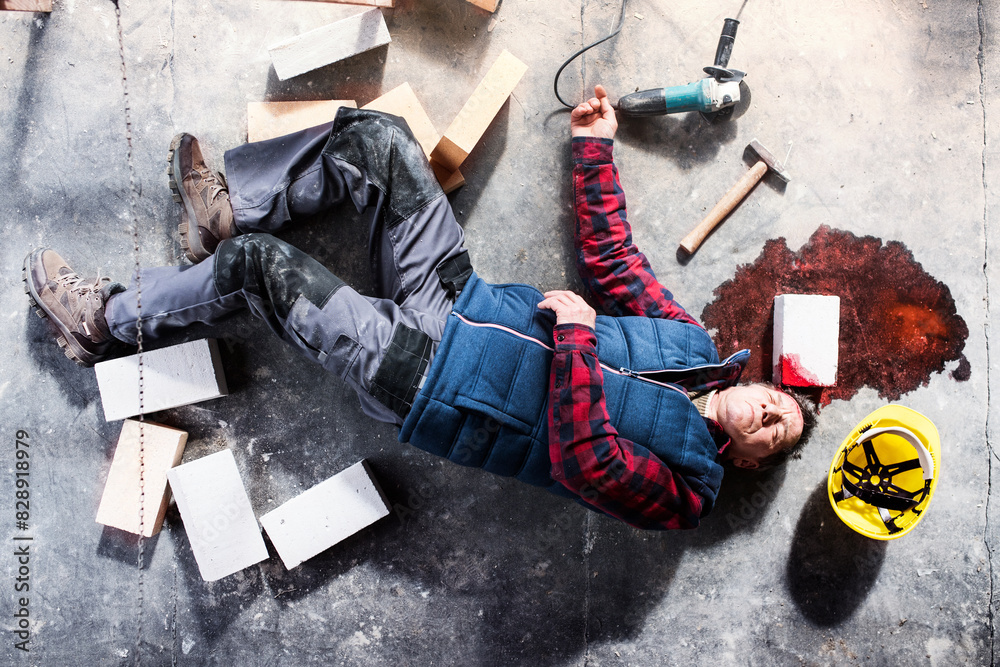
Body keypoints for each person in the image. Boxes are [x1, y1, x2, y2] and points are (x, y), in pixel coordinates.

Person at [24, 85, 814, 531]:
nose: (769, 413)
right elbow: (615, 259)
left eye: (774, 433)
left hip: (427, 380)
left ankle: (104, 323)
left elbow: (589, 462)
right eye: (780, 401)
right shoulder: (688, 341)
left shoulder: (689, 490)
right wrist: (594, 146)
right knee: (380, 137)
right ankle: (233, 210)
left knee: (262, 272)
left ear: (747, 460)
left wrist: (575, 341)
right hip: (457, 295)